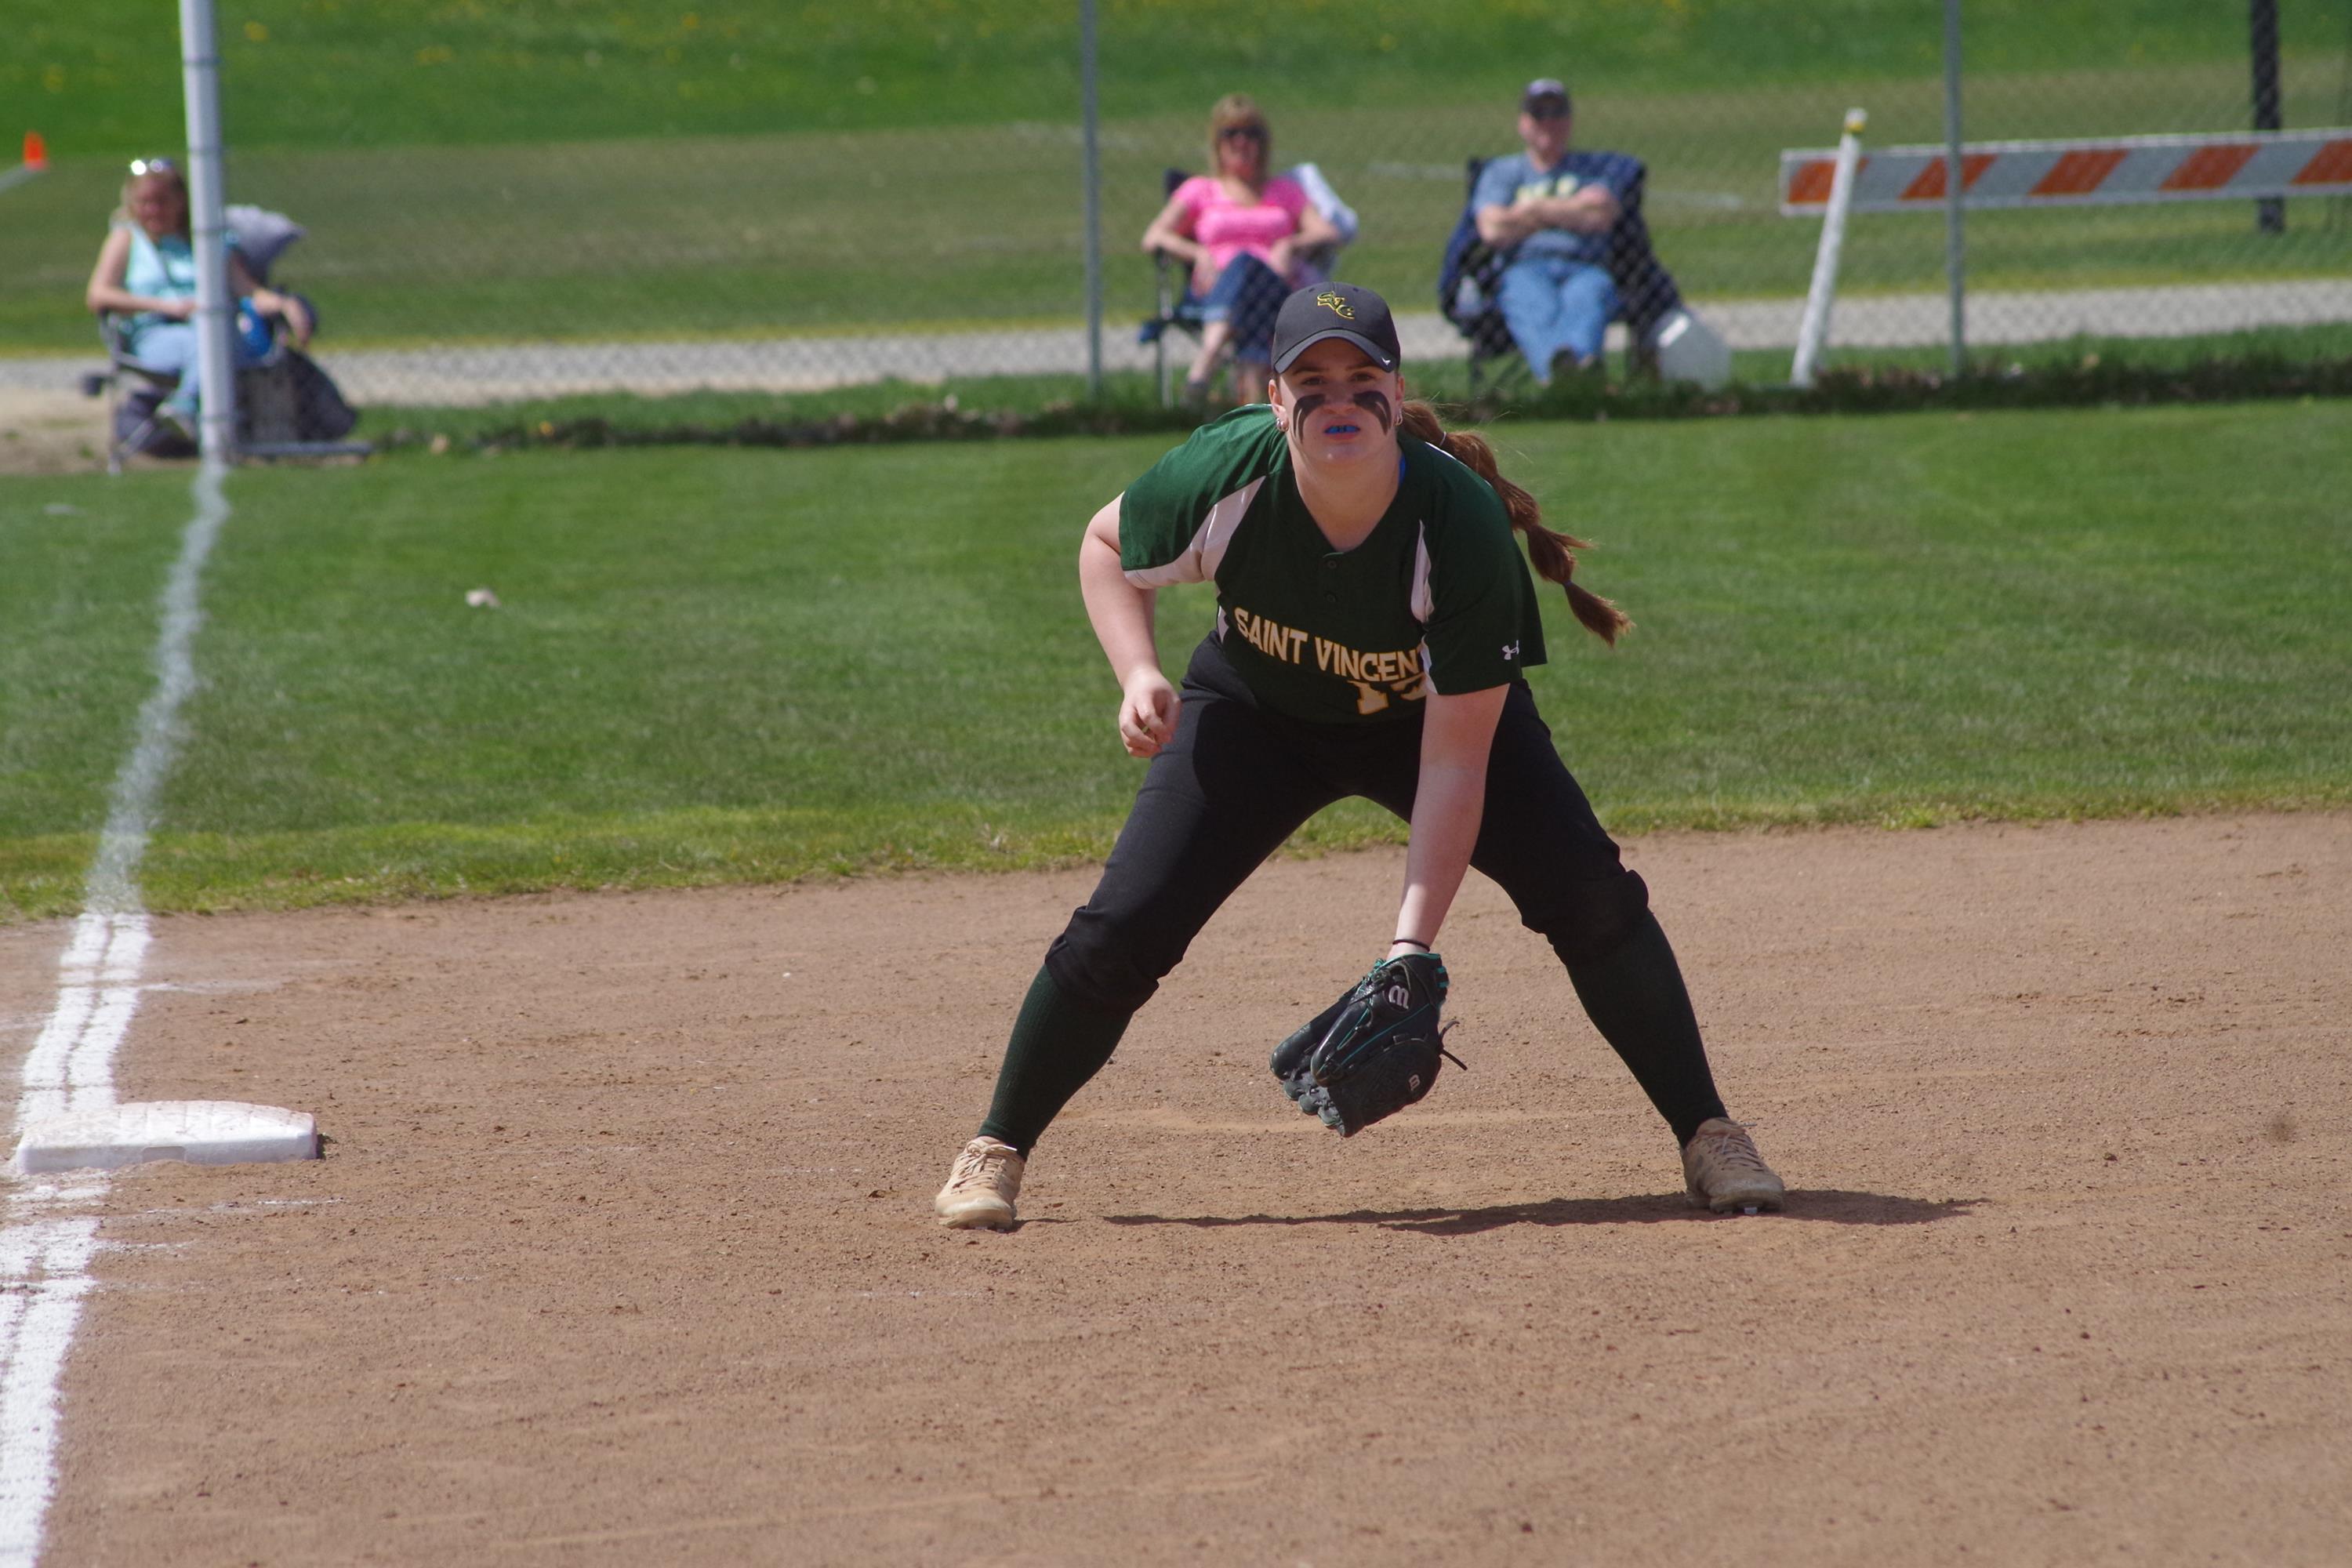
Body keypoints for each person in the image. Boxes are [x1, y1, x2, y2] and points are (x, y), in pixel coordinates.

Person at [932, 281, 1785, 1230]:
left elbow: (1455, 765)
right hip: (1256, 712)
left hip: (1424, 722)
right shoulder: (1230, 474)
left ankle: (1710, 1132)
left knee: (1590, 894)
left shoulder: (1456, 525)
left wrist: (1408, 947)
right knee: (1125, 924)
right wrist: (1137, 674)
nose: (1338, 398)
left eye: (1360, 376)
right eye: (1312, 380)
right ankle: (996, 1147)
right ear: (1275, 400)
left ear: (1396, 386)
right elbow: (1105, 543)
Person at [84, 156, 314, 441]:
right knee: (206, 341)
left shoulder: (206, 239)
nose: (153, 211)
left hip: (217, 330)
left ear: (181, 201)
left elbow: (248, 291)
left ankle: (190, 413)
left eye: (162, 201)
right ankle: (187, 408)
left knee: (214, 334)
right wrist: (166, 306)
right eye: (144, 203)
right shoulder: (126, 239)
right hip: (157, 335)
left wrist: (286, 305)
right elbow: (98, 294)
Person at [1142, 94, 1343, 406]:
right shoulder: (1200, 190)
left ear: (1264, 142)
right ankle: (1252, 395)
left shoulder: (1284, 191)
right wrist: (1197, 253)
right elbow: (1154, 236)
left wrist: (1291, 244)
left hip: (1277, 291)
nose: (1242, 142)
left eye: (1251, 134)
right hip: (1215, 289)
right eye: (1231, 133)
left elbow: (1327, 231)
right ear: (1217, 142)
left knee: (1250, 268)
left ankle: (1206, 365)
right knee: (1243, 267)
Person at [1472, 78, 1642, 386]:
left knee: (1590, 293)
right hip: (1524, 267)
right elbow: (1493, 230)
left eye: (1558, 113)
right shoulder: (1502, 172)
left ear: (1570, 121)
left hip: (1585, 266)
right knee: (1527, 298)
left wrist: (1531, 210)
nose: (1549, 123)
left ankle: (1564, 374)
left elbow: (1601, 216)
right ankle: (1572, 375)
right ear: (1523, 123)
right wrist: (1570, 210)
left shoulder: (1595, 168)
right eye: (1539, 114)